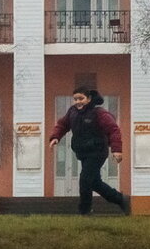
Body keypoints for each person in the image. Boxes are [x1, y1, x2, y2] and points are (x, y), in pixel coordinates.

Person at [49, 87, 131, 215]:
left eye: (81, 98)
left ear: (89, 99)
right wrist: (55, 137)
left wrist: (116, 150)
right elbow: (62, 125)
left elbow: (113, 130)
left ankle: (85, 211)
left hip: (97, 152)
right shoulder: (72, 112)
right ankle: (121, 200)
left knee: (85, 180)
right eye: (75, 99)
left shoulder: (99, 113)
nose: (78, 102)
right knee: (95, 183)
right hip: (83, 153)